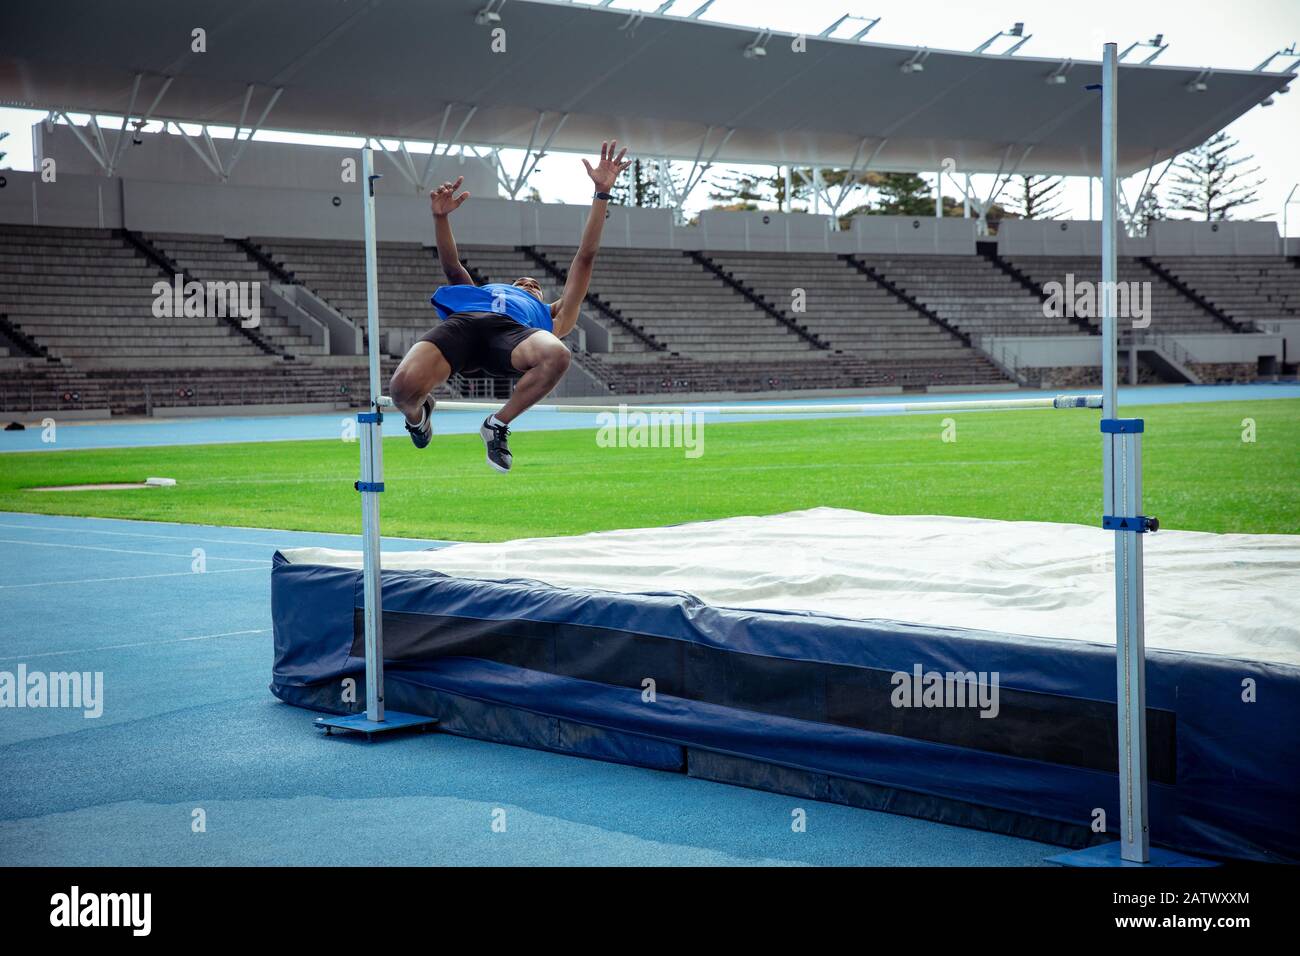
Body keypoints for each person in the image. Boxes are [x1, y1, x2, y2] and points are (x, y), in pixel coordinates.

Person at [388, 140, 632, 472]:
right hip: (466, 324)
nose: (527, 282)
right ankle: (418, 419)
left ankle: (497, 425)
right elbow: (451, 266)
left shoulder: (552, 315)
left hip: (515, 338)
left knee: (558, 353)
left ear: (543, 299)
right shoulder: (482, 293)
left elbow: (585, 257)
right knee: (401, 390)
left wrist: (601, 194)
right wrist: (440, 219)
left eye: (534, 285)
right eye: (521, 282)